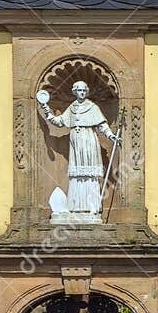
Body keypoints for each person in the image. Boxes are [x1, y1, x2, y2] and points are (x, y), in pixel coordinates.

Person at [37, 82, 118, 223]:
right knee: (77, 174)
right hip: (76, 143)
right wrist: (46, 108)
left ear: (86, 92)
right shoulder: (72, 108)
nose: (81, 92)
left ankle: (92, 207)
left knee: (89, 174)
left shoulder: (92, 107)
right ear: (74, 92)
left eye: (83, 90)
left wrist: (111, 135)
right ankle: (75, 207)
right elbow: (59, 121)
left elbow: (102, 125)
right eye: (78, 90)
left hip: (88, 141)